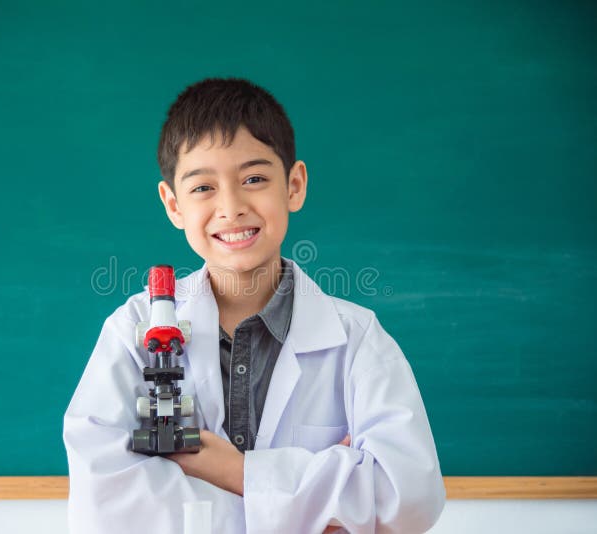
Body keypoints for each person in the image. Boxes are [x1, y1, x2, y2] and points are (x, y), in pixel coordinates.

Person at [64, 77, 446, 533]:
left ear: (295, 185)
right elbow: (103, 506)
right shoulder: (133, 329)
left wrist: (231, 470)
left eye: (254, 179)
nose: (231, 206)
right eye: (203, 187)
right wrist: (319, 492)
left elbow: (410, 498)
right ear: (173, 205)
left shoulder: (358, 339)